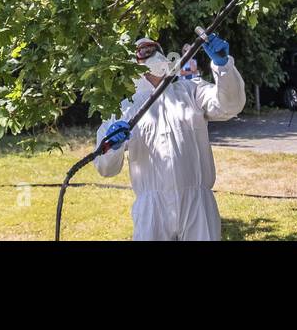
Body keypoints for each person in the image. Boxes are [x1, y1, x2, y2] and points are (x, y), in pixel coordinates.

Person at [94, 34, 245, 240]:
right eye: (142, 52)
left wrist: (223, 67)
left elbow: (230, 105)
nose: (149, 55)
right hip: (152, 209)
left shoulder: (191, 91)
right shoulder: (125, 109)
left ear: (166, 57)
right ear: (132, 64)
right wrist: (113, 146)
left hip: (197, 203)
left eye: (153, 49)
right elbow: (105, 168)